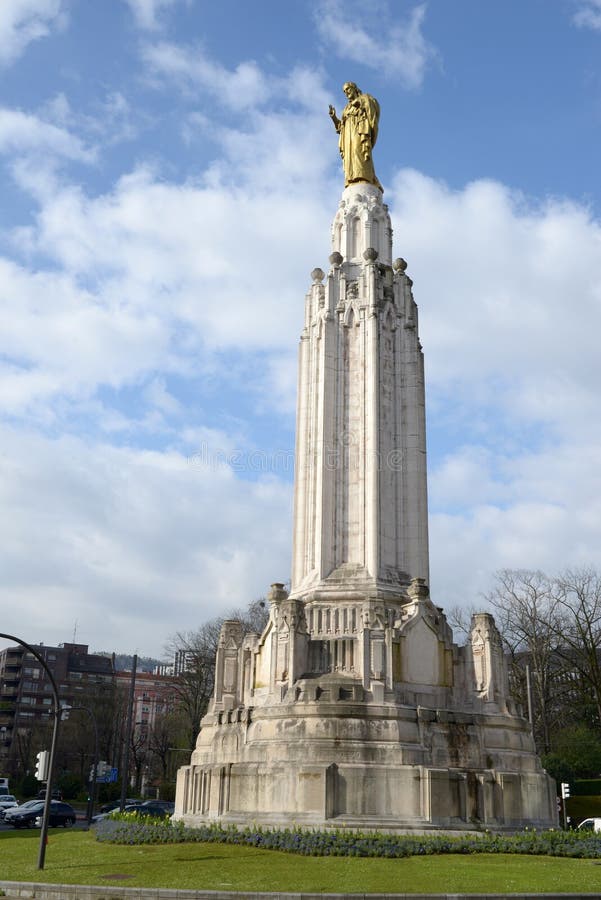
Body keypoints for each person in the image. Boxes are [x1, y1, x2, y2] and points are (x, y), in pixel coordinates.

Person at [329, 82, 381, 189]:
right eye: (344, 91)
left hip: (359, 130)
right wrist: (334, 118)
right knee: (350, 156)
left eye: (348, 89)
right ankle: (351, 178)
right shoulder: (347, 108)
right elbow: (341, 127)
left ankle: (365, 177)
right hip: (347, 135)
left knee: (359, 152)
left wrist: (361, 103)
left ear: (354, 88)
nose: (346, 92)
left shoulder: (365, 98)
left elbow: (373, 107)